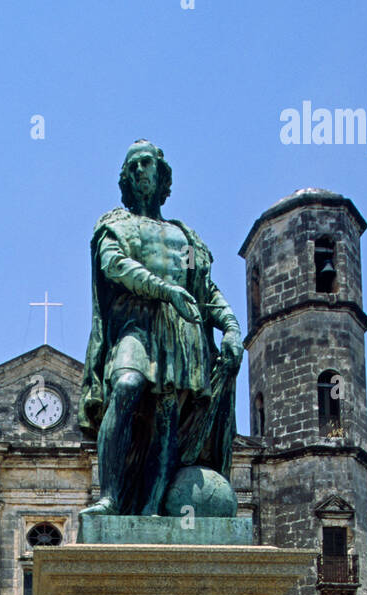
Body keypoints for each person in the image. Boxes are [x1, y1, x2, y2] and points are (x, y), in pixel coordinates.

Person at [78, 140, 243, 518]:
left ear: (161, 173)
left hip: (181, 335)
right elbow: (113, 265)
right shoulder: (117, 224)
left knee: (167, 425)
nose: (140, 170)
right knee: (126, 385)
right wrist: (166, 290)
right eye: (132, 166)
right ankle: (112, 498)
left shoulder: (184, 237)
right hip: (136, 325)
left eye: (146, 163)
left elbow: (205, 289)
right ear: (125, 178)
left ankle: (152, 509)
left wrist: (231, 327)